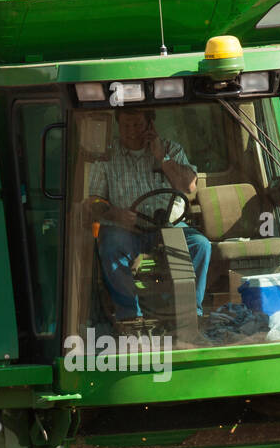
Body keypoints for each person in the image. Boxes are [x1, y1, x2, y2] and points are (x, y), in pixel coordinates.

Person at [87, 108, 212, 321]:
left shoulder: (171, 149)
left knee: (201, 245)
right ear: (118, 125)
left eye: (137, 125)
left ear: (150, 125)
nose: (132, 131)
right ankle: (130, 317)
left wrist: (162, 158)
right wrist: (116, 214)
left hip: (169, 228)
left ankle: (191, 315)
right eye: (126, 125)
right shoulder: (106, 156)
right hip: (126, 229)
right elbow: (94, 201)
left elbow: (189, 187)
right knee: (110, 246)